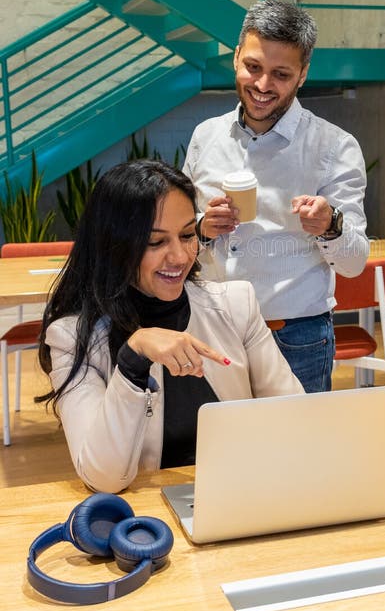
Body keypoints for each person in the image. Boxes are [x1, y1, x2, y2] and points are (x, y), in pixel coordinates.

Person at [37, 159, 303, 494]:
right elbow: (103, 477)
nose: (179, 256)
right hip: (148, 520)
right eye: (155, 242)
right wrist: (132, 360)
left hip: (244, 496)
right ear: (113, 246)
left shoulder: (235, 305)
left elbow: (294, 417)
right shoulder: (74, 338)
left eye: (188, 234)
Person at [183, 0, 369, 393]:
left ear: (302, 74)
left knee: (298, 452)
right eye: (253, 67)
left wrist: (330, 225)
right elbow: (177, 238)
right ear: (236, 58)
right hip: (211, 331)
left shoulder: (334, 147)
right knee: (217, 448)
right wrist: (200, 229)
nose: (263, 85)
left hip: (296, 338)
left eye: (281, 74)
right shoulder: (205, 138)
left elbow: (354, 263)